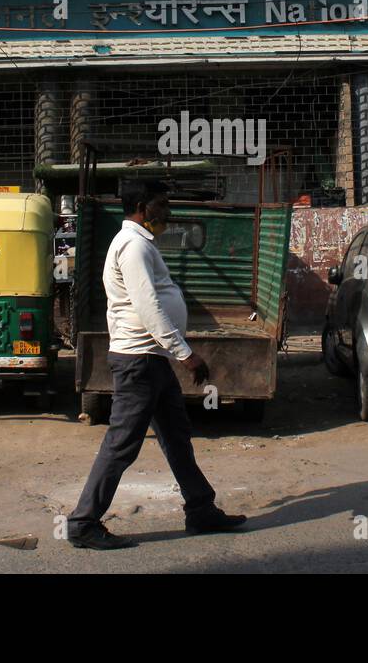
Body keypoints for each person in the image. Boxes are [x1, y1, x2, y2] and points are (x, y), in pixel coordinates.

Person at [67, 179, 247, 550]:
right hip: (140, 361)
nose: (168, 211)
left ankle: (200, 509)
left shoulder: (140, 243)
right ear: (142, 207)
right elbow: (148, 307)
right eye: (162, 204)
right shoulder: (133, 246)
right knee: (122, 444)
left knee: (176, 436)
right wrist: (186, 353)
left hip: (152, 359)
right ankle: (83, 523)